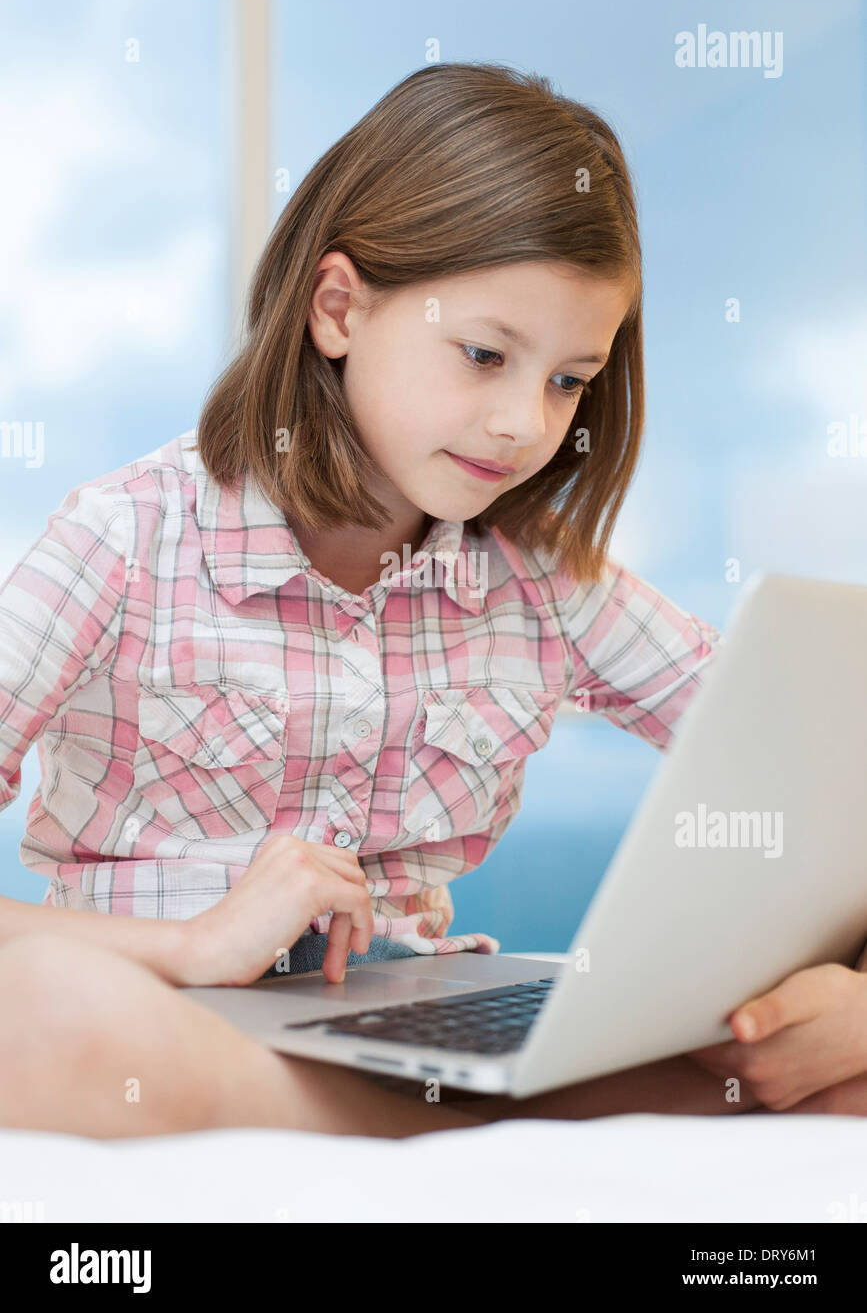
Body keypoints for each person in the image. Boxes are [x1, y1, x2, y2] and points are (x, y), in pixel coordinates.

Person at [2, 62, 866, 1141]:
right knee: (42, 1022)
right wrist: (197, 944)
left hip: (423, 1033)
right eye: (485, 355)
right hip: (159, 1017)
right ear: (338, 309)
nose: (523, 423)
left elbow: (830, 763)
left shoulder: (539, 577)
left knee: (828, 1072)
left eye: (567, 380)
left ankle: (385, 1118)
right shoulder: (124, 539)